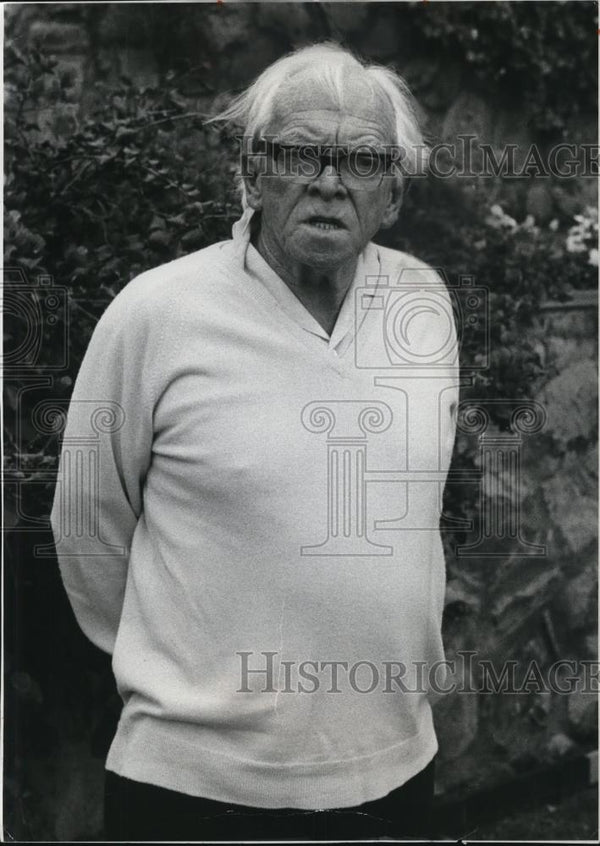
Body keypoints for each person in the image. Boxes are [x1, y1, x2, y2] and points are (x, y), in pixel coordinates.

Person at [50, 42, 459, 841]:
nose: (329, 182)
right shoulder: (157, 312)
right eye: (300, 153)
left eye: (361, 161)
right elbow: (87, 528)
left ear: (395, 193)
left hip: (396, 767)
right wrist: (183, 680)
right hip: (195, 787)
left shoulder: (425, 303)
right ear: (252, 171)